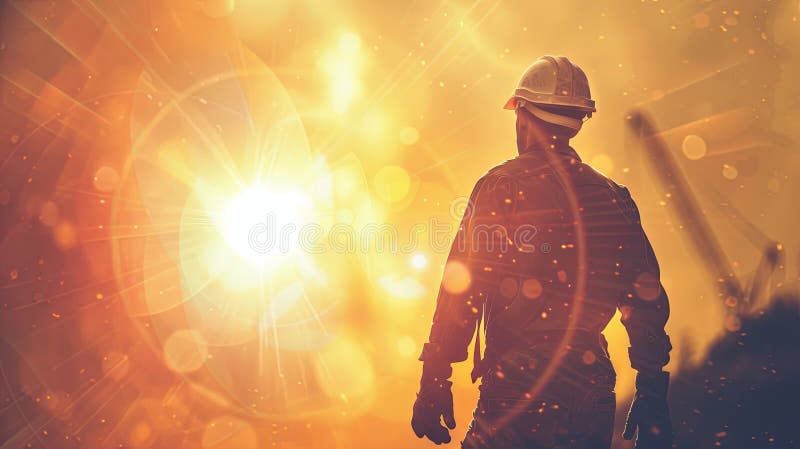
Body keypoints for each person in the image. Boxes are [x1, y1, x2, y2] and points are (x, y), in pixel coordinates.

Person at [411, 55, 673, 449]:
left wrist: (435, 377)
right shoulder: (613, 199)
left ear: (522, 116)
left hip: (521, 377)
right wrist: (652, 387)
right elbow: (645, 298)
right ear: (579, 120)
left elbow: (462, 288)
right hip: (591, 379)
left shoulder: (502, 186)